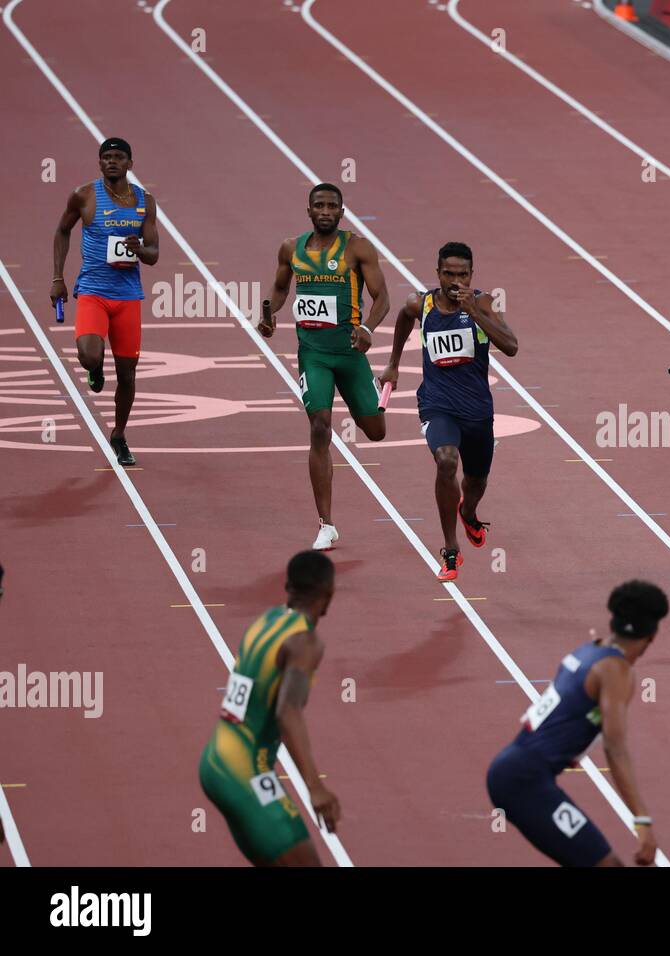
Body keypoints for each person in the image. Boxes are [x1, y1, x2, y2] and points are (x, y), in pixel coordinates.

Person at [486, 581, 669, 866]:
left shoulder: (586, 652)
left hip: (512, 768)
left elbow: (563, 711)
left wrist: (572, 749)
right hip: (524, 781)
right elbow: (615, 748)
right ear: (653, 634)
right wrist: (642, 820)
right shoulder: (616, 671)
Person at [258, 184, 390, 550]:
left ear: (342, 211)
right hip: (313, 354)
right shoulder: (291, 249)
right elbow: (281, 288)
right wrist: (270, 314)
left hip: (349, 354)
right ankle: (326, 524)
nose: (326, 210)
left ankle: (372, 394)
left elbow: (383, 297)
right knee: (320, 426)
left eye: (333, 205)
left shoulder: (357, 248)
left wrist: (366, 329)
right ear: (309, 210)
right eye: (320, 205)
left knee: (375, 430)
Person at [381, 242, 518, 581]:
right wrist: (393, 364)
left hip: (477, 411)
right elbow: (402, 317)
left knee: (475, 482)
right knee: (445, 460)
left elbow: (512, 347)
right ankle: (451, 550)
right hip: (437, 404)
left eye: (462, 274)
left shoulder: (482, 303)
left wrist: (474, 312)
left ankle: (468, 514)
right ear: (437, 272)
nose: (455, 280)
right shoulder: (421, 303)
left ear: (472, 275)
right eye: (448, 273)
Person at [198, 551, 342, 866]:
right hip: (242, 771)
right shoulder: (305, 643)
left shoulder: (266, 620)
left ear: (288, 586)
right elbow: (287, 712)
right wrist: (314, 788)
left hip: (215, 760)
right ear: (329, 594)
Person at [51, 138, 159, 466]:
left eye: (119, 157)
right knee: (87, 355)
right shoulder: (83, 195)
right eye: (106, 157)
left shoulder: (145, 201)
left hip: (127, 297)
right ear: (100, 163)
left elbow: (154, 254)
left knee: (127, 375)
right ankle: (95, 368)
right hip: (93, 293)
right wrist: (58, 277)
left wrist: (140, 250)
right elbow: (62, 231)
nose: (112, 162)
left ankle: (119, 435)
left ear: (130, 163)